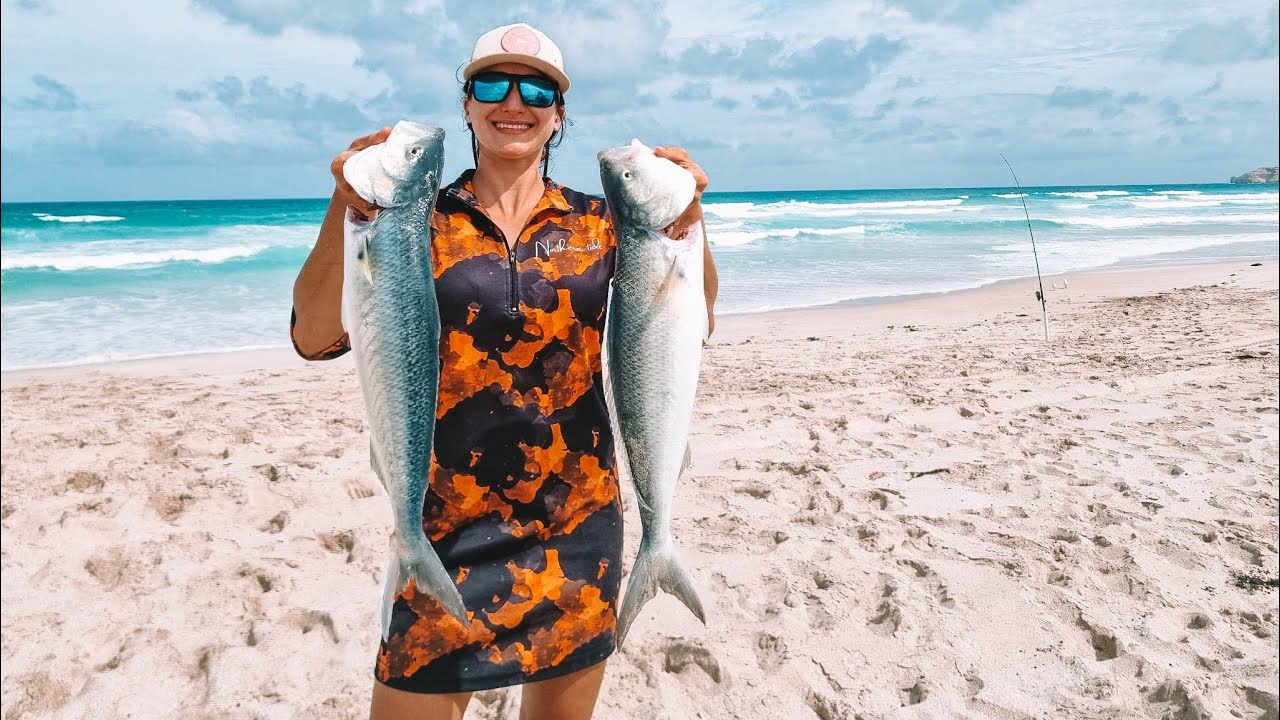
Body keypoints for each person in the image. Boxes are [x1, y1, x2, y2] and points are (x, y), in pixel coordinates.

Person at [290, 22, 718, 720]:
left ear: (558, 114)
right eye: (492, 83)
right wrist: (348, 207)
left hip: (577, 528)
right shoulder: (410, 218)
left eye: (536, 88)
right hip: (439, 529)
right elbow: (314, 336)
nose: (512, 101)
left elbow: (690, 319)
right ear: (465, 105)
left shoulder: (601, 223)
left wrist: (687, 223)